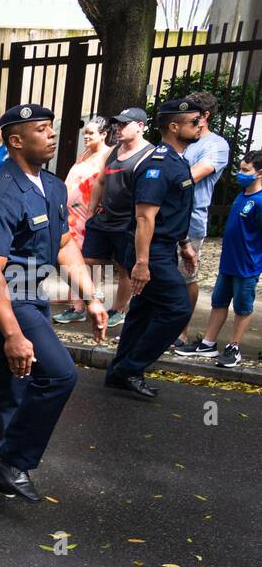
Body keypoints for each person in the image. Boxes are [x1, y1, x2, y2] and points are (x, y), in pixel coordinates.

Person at [0, 104, 106, 501]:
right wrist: (12, 334)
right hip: (8, 301)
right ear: (16, 141)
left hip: (35, 294)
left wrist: (92, 297)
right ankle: (13, 461)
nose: (51, 135)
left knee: (13, 385)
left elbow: (64, 245)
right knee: (60, 374)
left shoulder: (53, 186)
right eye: (42, 129)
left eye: (51, 128)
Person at [103, 98, 200, 399]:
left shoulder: (177, 160)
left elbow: (172, 211)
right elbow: (145, 217)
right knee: (177, 308)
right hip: (150, 251)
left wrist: (184, 244)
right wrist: (142, 263)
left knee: (143, 312)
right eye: (194, 122)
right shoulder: (158, 165)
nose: (200, 126)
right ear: (174, 126)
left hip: (163, 247)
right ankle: (130, 368)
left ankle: (119, 371)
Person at [172, 90, 233, 357]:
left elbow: (191, 177)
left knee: (186, 277)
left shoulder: (215, 145)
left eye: (193, 113)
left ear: (205, 116)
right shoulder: (181, 138)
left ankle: (181, 332)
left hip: (190, 220)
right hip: (165, 216)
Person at [185, 150, 260, 368]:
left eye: (246, 170)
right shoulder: (242, 195)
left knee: (242, 307)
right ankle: (208, 342)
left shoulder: (260, 201)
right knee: (219, 302)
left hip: (247, 266)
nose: (240, 174)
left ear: (260, 173)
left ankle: (234, 347)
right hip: (228, 263)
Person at [81, 107, 154, 329]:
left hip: (128, 222)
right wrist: (91, 211)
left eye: (124, 124)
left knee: (124, 268)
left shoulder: (149, 154)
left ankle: (119, 309)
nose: (118, 128)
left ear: (140, 126)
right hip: (105, 219)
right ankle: (94, 299)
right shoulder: (114, 151)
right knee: (88, 261)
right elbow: (101, 182)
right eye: (118, 124)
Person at [51, 116, 113, 324]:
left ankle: (79, 305)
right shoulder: (86, 153)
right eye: (85, 133)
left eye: (91, 133)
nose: (86, 137)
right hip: (70, 213)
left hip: (88, 213)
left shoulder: (107, 155)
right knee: (67, 257)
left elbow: (104, 185)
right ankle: (77, 297)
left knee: (82, 259)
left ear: (104, 135)